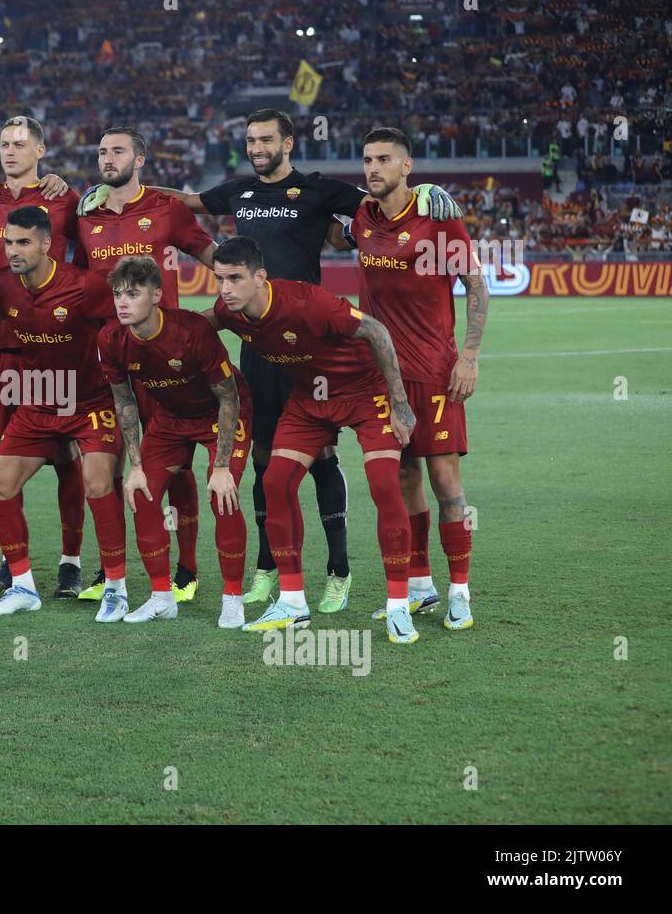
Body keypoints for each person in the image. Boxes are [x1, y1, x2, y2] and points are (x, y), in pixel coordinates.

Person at [158, 108, 462, 616]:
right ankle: (266, 570)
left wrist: (427, 190)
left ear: (289, 143)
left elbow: (381, 197)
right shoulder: (236, 191)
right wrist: (128, 193)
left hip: (310, 344)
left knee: (320, 458)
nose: (257, 149)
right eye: (251, 140)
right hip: (258, 344)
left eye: (266, 140)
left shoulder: (319, 190)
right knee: (263, 460)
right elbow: (186, 202)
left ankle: (338, 571)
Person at [207, 236, 423, 645]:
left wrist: (400, 404)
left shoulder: (308, 303)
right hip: (310, 400)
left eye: (234, 278)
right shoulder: (229, 310)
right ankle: (292, 602)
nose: (225, 289)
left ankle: (398, 605)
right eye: (219, 279)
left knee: (383, 484)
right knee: (274, 483)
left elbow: (376, 331)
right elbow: (203, 322)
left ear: (260, 277)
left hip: (364, 392)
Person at [349, 127, 487, 630]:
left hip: (434, 373)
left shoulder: (439, 220)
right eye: (367, 159)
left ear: (407, 166)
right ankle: (421, 587)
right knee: (402, 477)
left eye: (384, 159)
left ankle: (460, 592)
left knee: (447, 482)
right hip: (381, 377)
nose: (373, 168)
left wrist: (468, 356)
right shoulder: (362, 217)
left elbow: (475, 284)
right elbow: (314, 205)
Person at [74, 126, 218, 603]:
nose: (107, 157)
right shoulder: (86, 214)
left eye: (117, 150)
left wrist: (246, 293)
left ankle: (187, 568)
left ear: (139, 160)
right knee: (107, 467)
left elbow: (213, 256)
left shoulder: (167, 209)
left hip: (165, 362)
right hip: (107, 361)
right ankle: (110, 569)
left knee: (174, 468)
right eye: (102, 151)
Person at [0, 206, 128, 620]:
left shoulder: (86, 286)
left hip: (89, 401)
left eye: (22, 242)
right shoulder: (5, 285)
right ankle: (23, 587)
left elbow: (125, 321)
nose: (13, 251)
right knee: (0, 484)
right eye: (8, 243)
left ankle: (116, 588)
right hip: (38, 401)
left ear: (46, 243)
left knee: (97, 483)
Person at [99, 256, 253, 627]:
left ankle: (233, 599)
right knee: (142, 492)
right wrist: (135, 465)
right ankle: (162, 597)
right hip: (170, 418)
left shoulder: (192, 330)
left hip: (221, 412)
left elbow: (229, 397)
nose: (122, 302)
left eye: (132, 294)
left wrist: (220, 468)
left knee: (223, 495)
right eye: (118, 294)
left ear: (156, 295)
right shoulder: (111, 339)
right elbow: (125, 402)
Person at [0, 115, 87, 600]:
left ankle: (70, 561)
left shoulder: (65, 197)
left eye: (20, 144)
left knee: (65, 453)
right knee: (1, 453)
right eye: (4, 143)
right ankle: (9, 563)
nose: (10, 150)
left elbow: (92, 249)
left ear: (40, 150)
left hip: (56, 346)